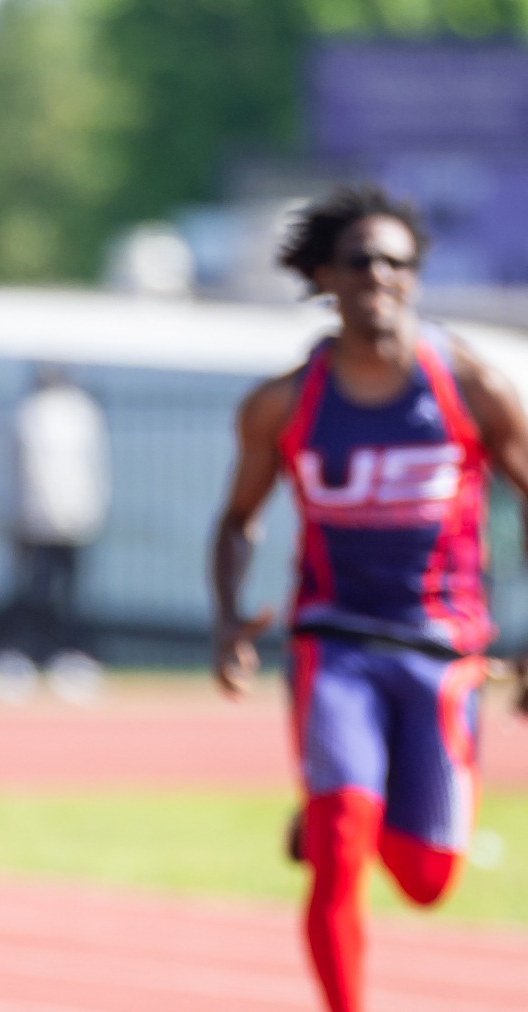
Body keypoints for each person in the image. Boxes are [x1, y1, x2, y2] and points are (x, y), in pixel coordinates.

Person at [210, 183, 528, 1012]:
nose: (378, 277)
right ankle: (333, 824)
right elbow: (236, 520)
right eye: (359, 262)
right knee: (342, 843)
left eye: (396, 262)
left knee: (425, 879)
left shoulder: (469, 386)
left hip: (439, 649)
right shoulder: (284, 403)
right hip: (333, 642)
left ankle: (336, 808)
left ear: (415, 276)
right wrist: (227, 619)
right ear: (325, 277)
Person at [0, 362, 108, 692]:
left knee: (70, 595)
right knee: (32, 592)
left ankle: (70, 655)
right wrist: (14, 516)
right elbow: (14, 470)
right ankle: (21, 654)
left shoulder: (82, 413)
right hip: (35, 520)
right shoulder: (28, 413)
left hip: (75, 519)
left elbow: (95, 468)